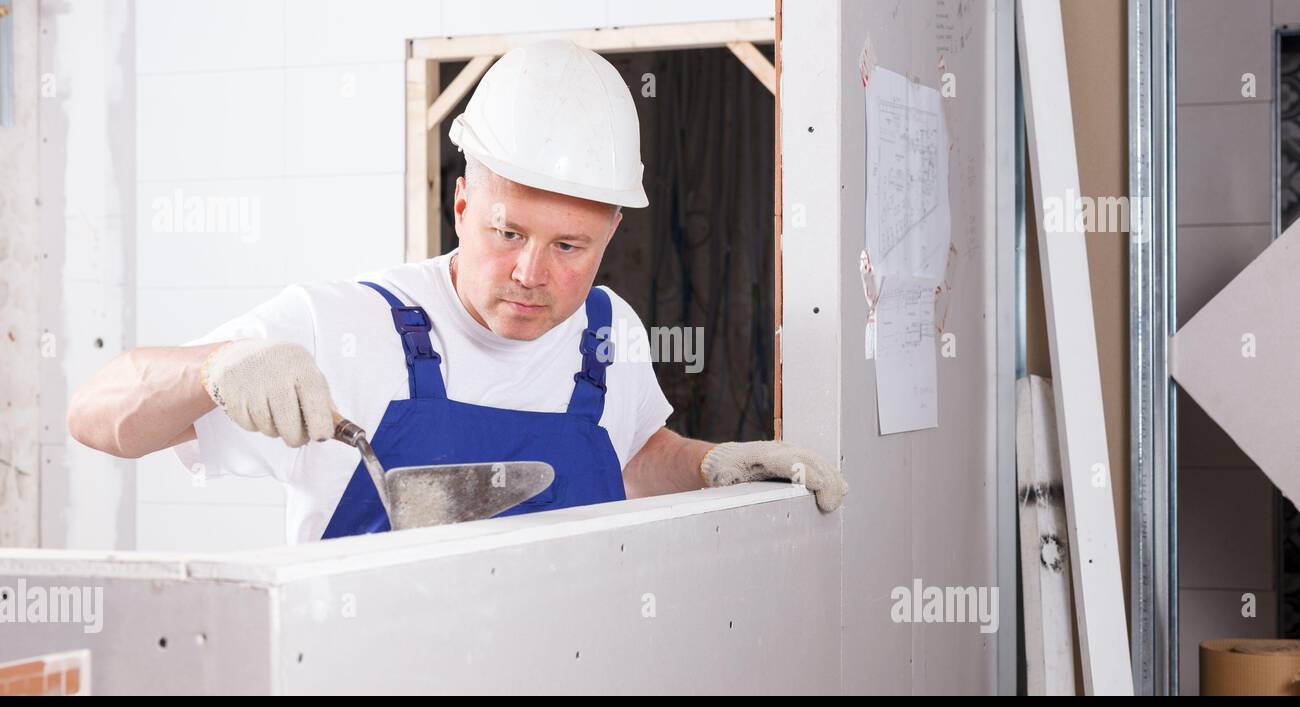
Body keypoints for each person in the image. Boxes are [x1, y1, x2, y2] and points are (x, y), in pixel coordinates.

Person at [67, 40, 847, 543]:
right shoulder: (344, 325)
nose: (531, 273)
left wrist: (712, 466)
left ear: (612, 234)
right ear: (463, 205)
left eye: (569, 247)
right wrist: (213, 370)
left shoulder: (611, 332)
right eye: (507, 233)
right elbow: (96, 416)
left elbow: (634, 459)